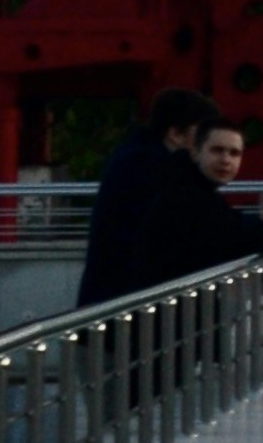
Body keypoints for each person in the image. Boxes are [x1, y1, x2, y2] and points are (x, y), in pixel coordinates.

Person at [128, 115, 263, 286]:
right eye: (217, 150)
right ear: (195, 152)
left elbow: (236, 229)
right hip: (163, 318)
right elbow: (241, 230)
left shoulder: (183, 184)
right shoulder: (185, 194)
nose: (226, 160)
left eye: (235, 153)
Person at [77, 86, 218, 304]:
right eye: (201, 134)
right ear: (176, 134)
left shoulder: (135, 157)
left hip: (114, 297)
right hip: (131, 300)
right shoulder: (155, 168)